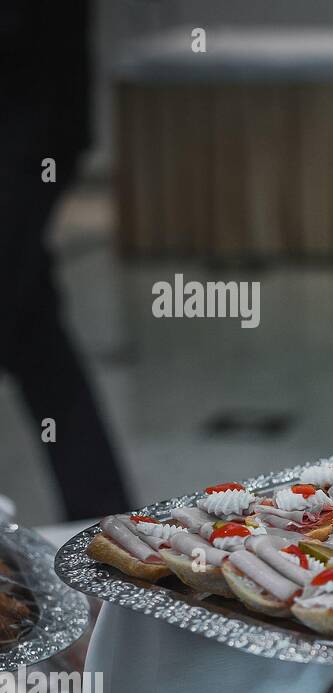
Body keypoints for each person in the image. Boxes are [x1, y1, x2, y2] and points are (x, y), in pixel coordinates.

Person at [0, 0, 131, 520]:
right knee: (35, 334)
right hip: (33, 130)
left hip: (25, 135)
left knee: (30, 325)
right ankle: (104, 515)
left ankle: (103, 514)